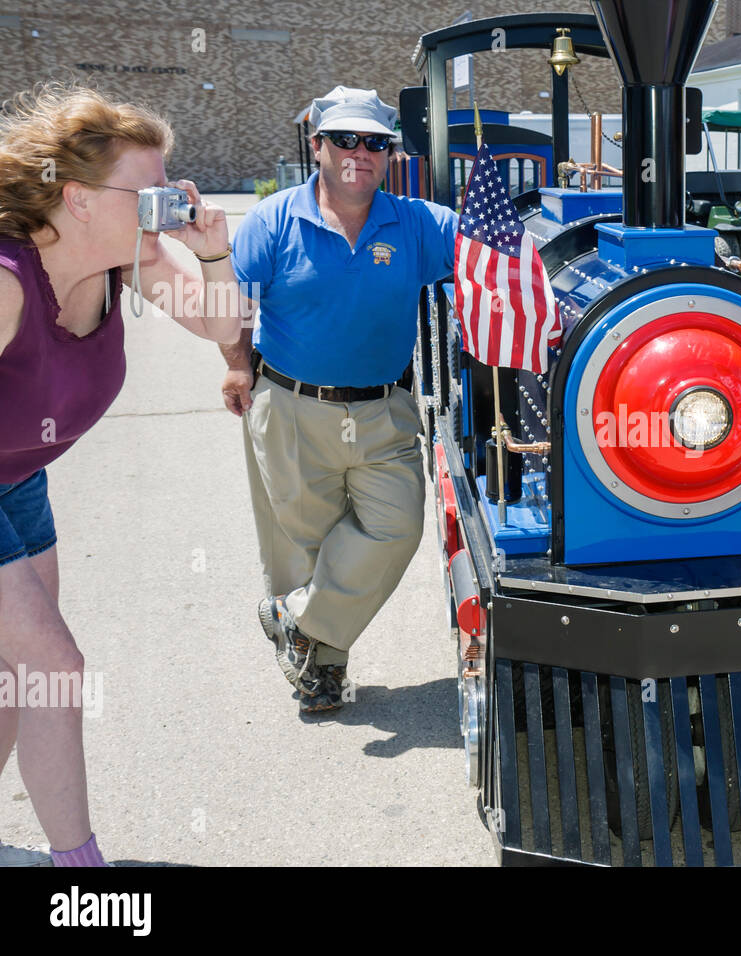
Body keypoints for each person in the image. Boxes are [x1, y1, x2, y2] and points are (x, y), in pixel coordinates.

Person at [0, 83, 242, 867]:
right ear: (76, 199)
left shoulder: (128, 257)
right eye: (148, 194)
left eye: (168, 193)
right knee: (51, 665)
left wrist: (211, 250)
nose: (163, 209)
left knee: (20, 676)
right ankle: (81, 875)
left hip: (18, 481)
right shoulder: (7, 282)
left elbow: (220, 324)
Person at [220, 87, 457, 713]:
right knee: (309, 542)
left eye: (375, 142)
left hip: (383, 410)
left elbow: (495, 250)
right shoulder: (271, 221)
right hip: (294, 405)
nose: (360, 153)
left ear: (389, 154)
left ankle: (296, 621)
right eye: (345, 139)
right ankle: (321, 670)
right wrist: (235, 367)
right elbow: (233, 302)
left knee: (395, 526)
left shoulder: (417, 224)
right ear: (318, 146)